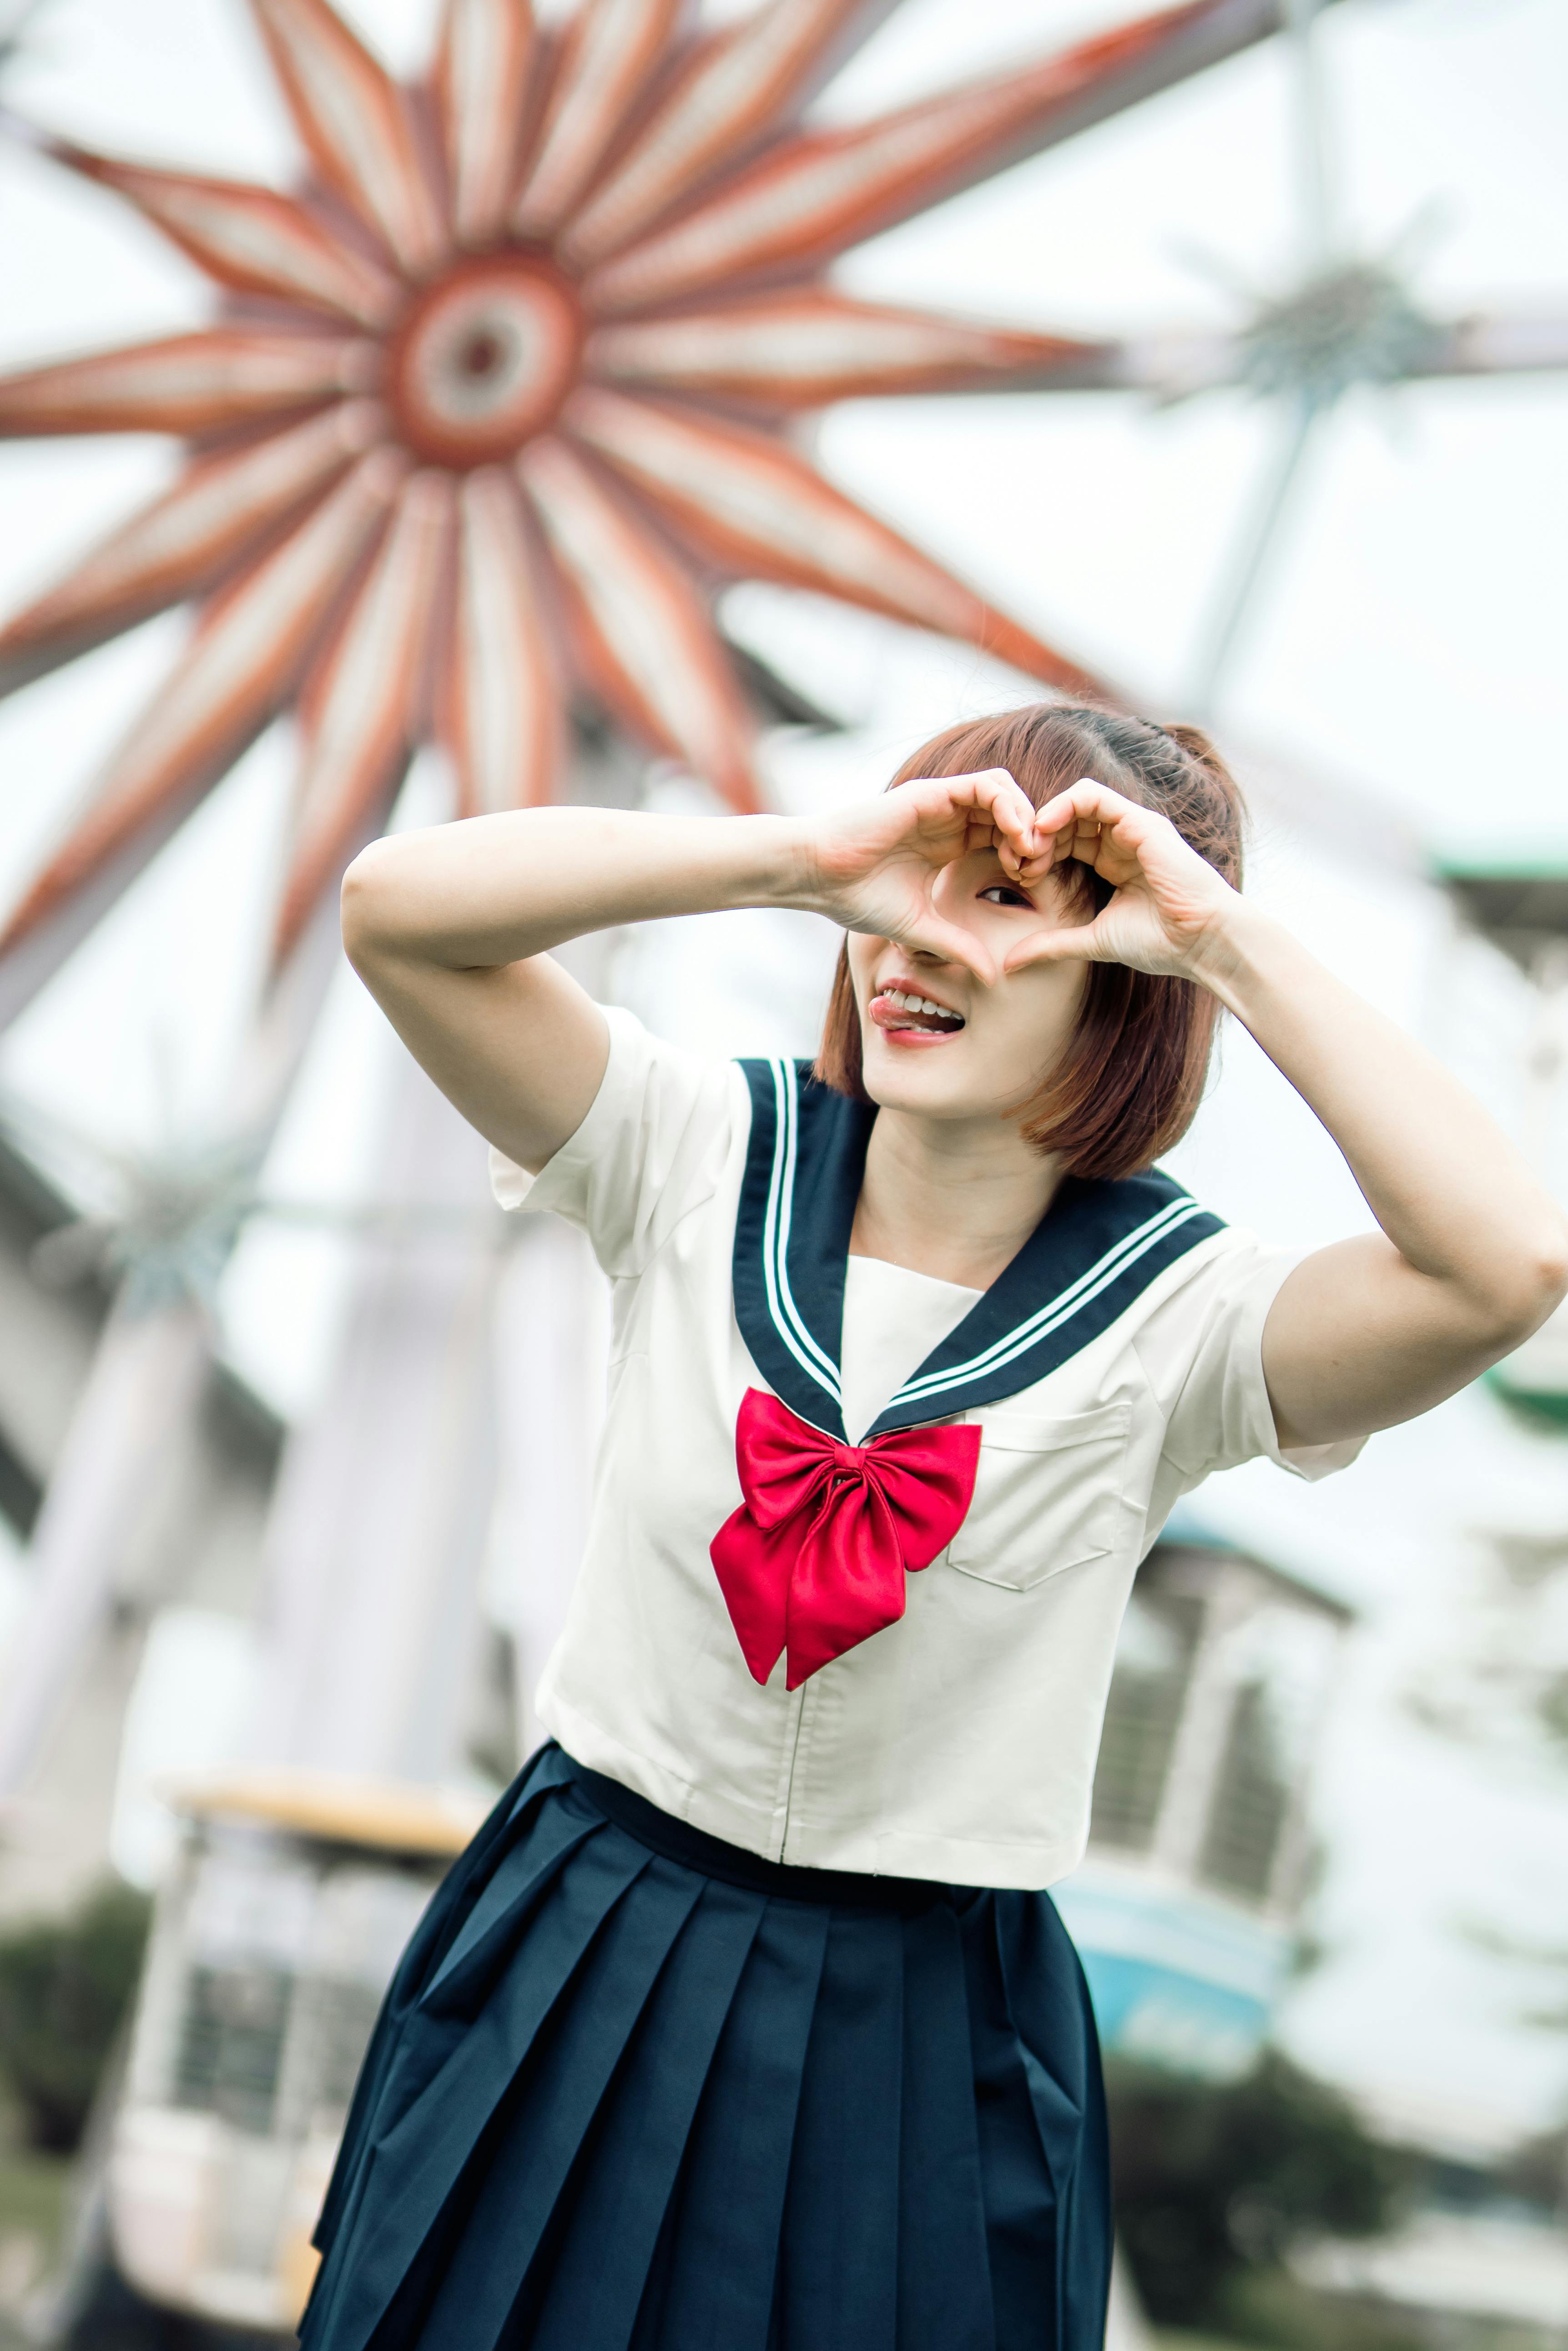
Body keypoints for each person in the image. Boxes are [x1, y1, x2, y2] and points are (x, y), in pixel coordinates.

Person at [298, 703, 1566, 2351]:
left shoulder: (1177, 1317)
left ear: (1124, 974)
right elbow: (397, 908)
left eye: (1005, 904)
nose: (921, 945)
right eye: (916, 884)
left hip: (915, 2027)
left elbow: (1508, 1264)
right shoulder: (694, 1147)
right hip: (584, 1933)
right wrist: (804, 858)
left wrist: (1219, 938)